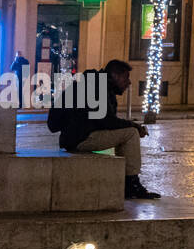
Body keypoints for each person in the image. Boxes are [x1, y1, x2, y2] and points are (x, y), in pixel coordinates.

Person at [56, 59, 161, 200]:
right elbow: (107, 120)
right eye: (126, 78)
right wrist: (134, 125)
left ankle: (125, 182)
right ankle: (132, 185)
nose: (128, 83)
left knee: (125, 133)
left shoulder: (93, 83)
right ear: (115, 75)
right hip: (81, 139)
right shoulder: (99, 87)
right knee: (130, 134)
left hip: (73, 138)